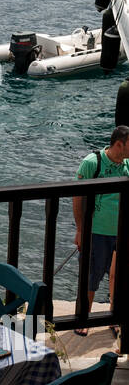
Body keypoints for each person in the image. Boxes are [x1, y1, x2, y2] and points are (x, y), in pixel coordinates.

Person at [73, 124, 129, 336]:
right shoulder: (92, 163)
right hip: (96, 231)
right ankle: (83, 318)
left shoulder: (127, 165)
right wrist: (80, 230)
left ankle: (115, 317)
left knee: (119, 277)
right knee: (91, 276)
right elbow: (78, 198)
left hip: (121, 231)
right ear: (119, 144)